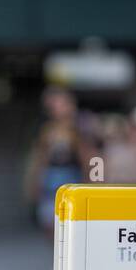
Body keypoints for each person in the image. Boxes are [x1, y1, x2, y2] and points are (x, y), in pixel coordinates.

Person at [25, 86, 91, 237]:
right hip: (51, 185)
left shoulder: (81, 127)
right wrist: (34, 182)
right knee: (50, 227)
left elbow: (92, 158)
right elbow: (40, 159)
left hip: (73, 183)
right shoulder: (46, 129)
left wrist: (95, 182)